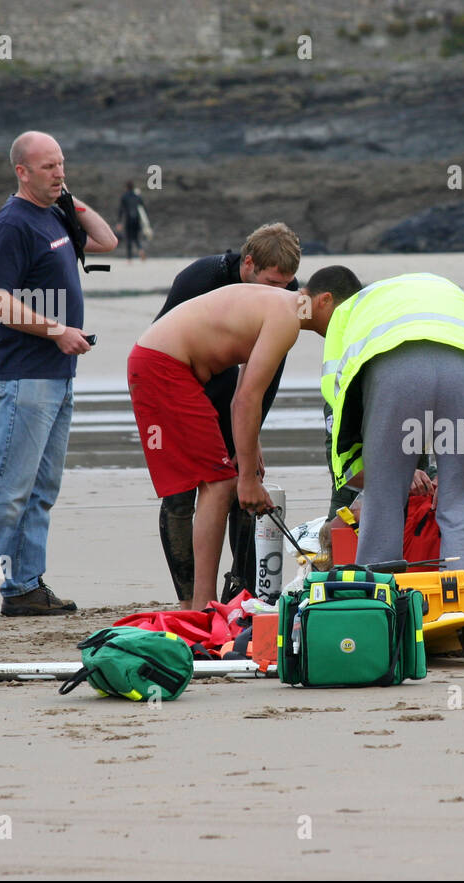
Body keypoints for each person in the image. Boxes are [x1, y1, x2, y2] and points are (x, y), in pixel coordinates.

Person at [0, 130, 118, 619]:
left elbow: (107, 240)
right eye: (47, 167)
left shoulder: (54, 213)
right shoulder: (12, 225)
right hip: (24, 375)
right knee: (10, 486)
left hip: (57, 373)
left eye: (61, 164)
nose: (59, 172)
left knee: (41, 489)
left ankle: (23, 586)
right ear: (22, 172)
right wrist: (58, 329)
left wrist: (72, 200)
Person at [129, 266, 360, 610]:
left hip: (172, 366)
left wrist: (248, 449)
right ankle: (203, 608)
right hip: (164, 366)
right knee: (220, 484)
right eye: (344, 316)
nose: (345, 329)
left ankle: (201, 605)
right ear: (324, 300)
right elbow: (246, 400)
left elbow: (242, 382)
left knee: (221, 481)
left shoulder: (281, 305)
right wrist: (248, 481)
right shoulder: (287, 318)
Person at [323, 273, 464, 611]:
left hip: (395, 371)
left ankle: (378, 610)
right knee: (463, 501)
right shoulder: (454, 295)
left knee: (384, 498)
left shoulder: (349, 310)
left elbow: (337, 395)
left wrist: (355, 466)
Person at [152, 224, 301, 607]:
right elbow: (163, 345)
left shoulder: (285, 292)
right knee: (182, 495)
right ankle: (188, 599)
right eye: (270, 283)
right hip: (184, 384)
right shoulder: (201, 278)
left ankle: (239, 588)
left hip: (235, 394)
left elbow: (267, 374)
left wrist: (249, 439)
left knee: (242, 479)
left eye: (285, 286)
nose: (278, 294)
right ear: (248, 263)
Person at [115, 181, 149, 261]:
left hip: (128, 219)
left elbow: (121, 210)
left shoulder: (124, 196)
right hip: (137, 220)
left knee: (129, 238)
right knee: (136, 238)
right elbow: (143, 209)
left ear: (126, 187)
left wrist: (119, 222)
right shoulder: (137, 196)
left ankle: (129, 258)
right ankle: (141, 250)